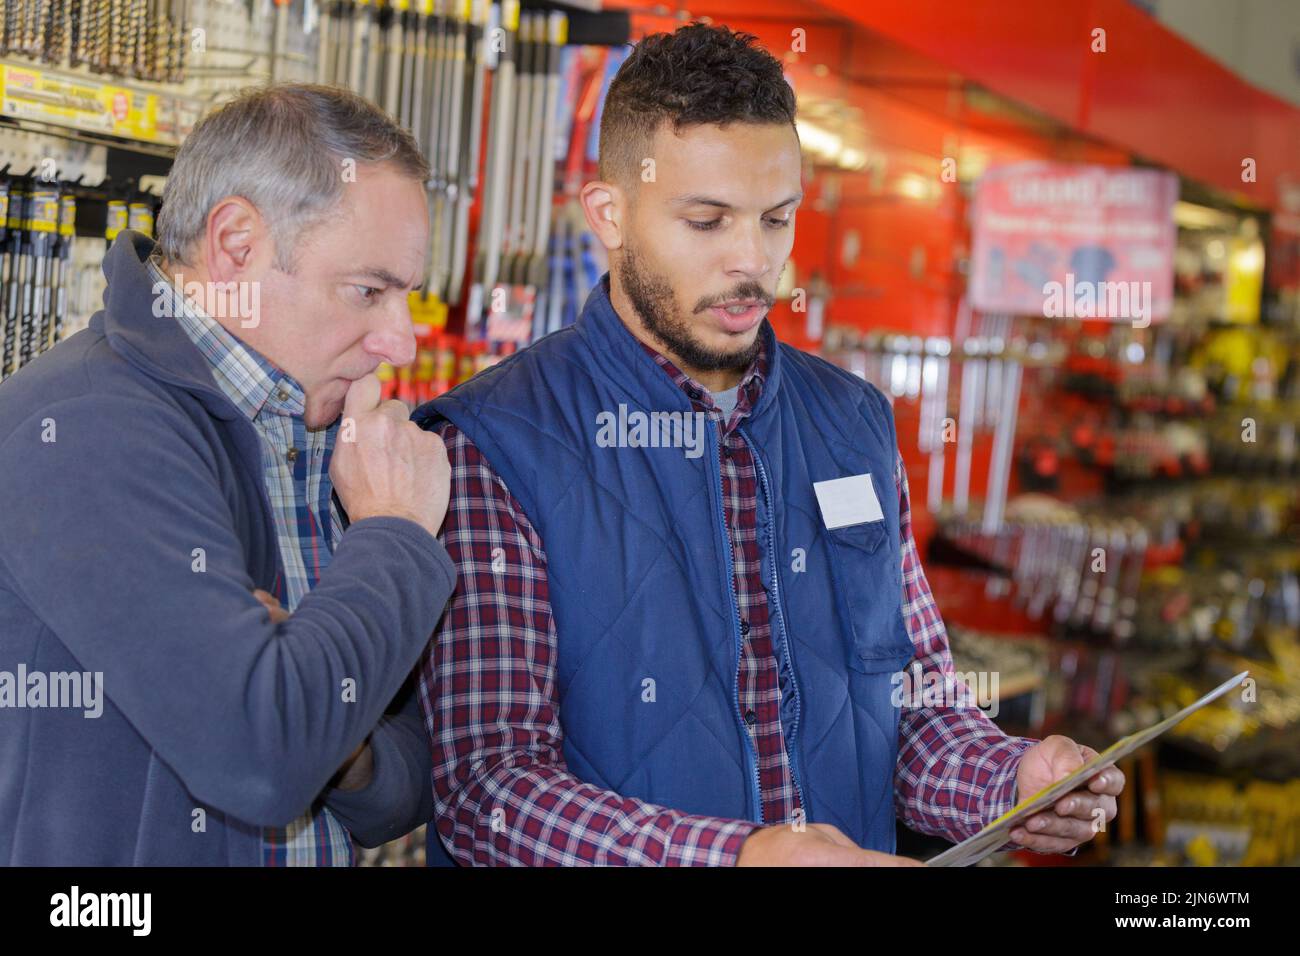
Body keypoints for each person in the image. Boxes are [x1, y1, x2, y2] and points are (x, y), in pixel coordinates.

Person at [414, 23, 1124, 866]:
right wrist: (741, 857)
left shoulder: (853, 423)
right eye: (707, 221)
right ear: (611, 214)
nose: (754, 262)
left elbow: (914, 707)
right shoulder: (496, 444)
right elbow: (488, 793)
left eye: (776, 220)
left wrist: (1011, 782)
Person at [0, 84, 454, 865]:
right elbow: (259, 755)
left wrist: (332, 726)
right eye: (368, 291)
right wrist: (395, 535)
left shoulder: (320, 431)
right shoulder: (86, 428)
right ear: (237, 244)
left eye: (402, 297)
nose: (400, 341)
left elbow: (410, 777)